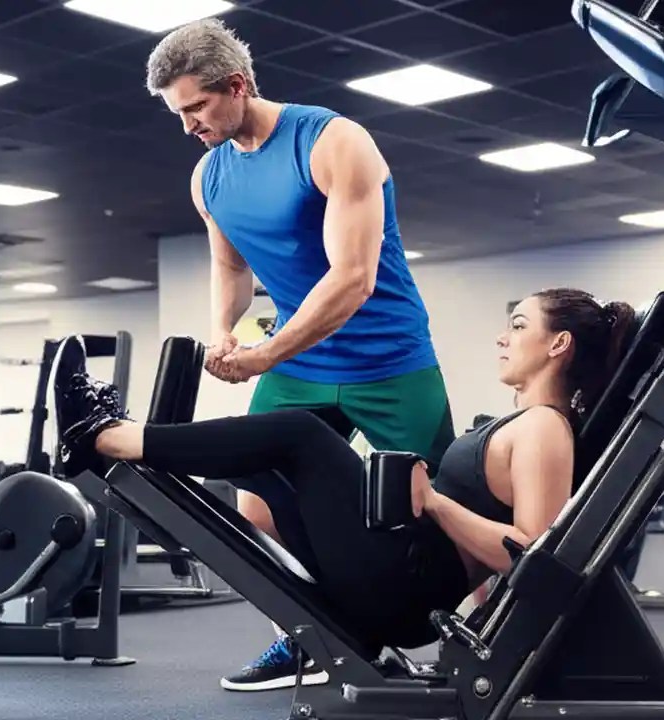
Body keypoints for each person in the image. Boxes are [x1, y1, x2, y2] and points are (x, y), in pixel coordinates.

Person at [54, 288, 637, 688]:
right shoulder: (520, 422)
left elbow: (531, 559)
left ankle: (104, 435)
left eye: (518, 326)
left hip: (406, 585)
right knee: (261, 461)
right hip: (402, 571)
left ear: (558, 345)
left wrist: (433, 503)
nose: (502, 339)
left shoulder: (544, 430)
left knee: (303, 435)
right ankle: (145, 488)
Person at [145, 18, 456, 689]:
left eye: (196, 107)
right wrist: (224, 332)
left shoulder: (333, 141)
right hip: (296, 368)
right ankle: (310, 637)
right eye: (178, 112)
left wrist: (264, 354)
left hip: (391, 360)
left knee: (443, 511)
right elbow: (231, 269)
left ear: (237, 85)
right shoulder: (210, 177)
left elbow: (353, 278)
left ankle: (488, 651)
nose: (188, 125)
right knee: (257, 508)